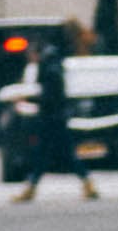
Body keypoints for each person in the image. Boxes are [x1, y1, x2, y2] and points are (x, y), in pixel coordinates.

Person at [17, 32, 96, 202]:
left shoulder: (48, 67)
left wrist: (32, 99)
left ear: (35, 52)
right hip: (56, 117)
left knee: (45, 154)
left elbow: (51, 95)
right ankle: (87, 183)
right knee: (56, 154)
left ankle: (31, 188)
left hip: (52, 118)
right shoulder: (53, 63)